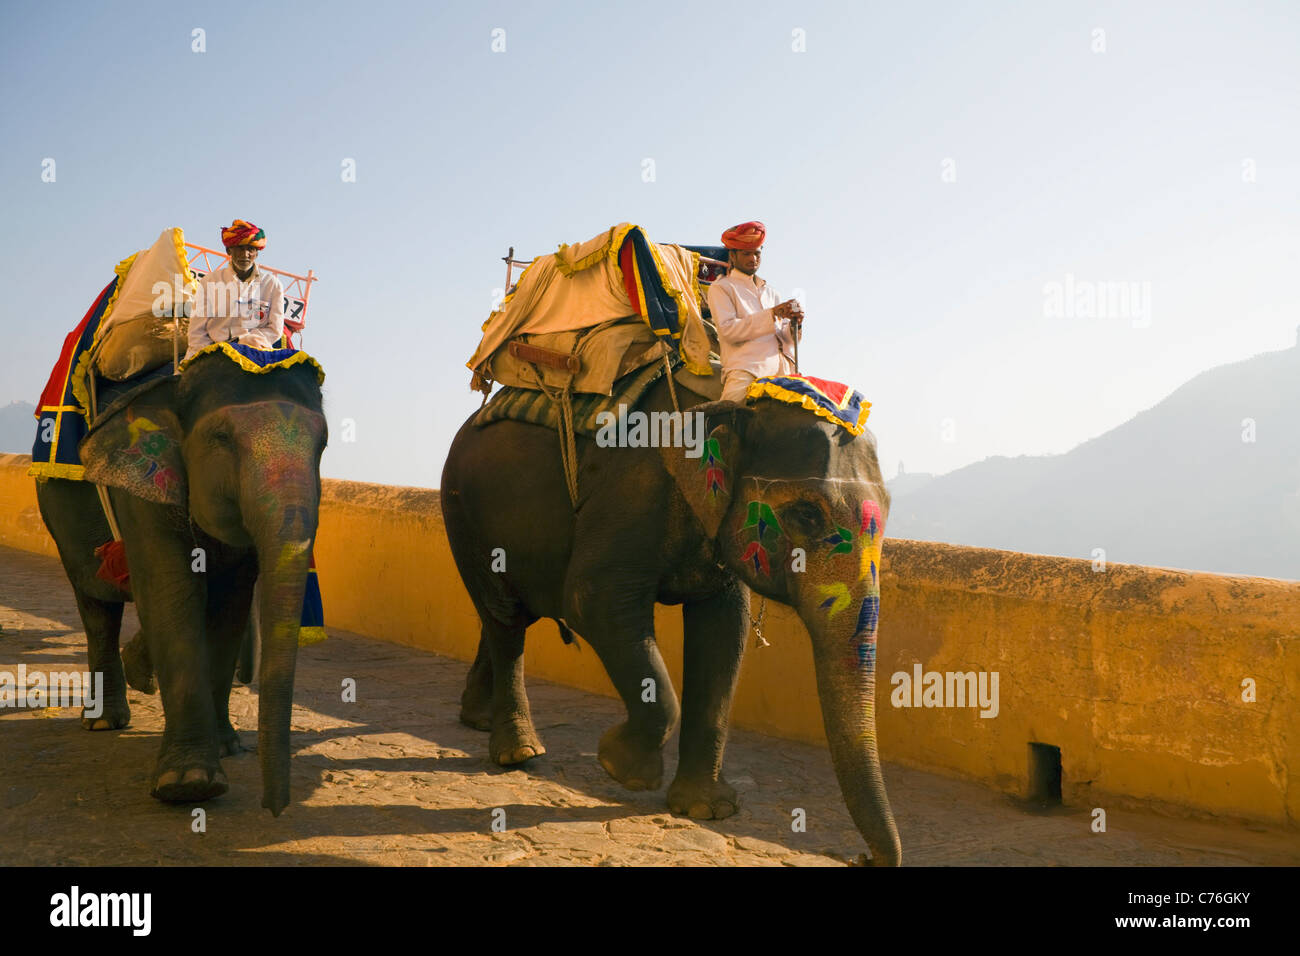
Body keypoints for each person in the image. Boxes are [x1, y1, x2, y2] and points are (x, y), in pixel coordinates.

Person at [705, 220, 804, 402]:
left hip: (784, 373)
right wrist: (773, 314)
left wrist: (794, 325)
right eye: (746, 254)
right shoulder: (722, 288)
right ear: (733, 256)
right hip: (746, 372)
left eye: (757, 253)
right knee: (729, 419)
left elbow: (785, 338)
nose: (753, 259)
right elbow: (728, 331)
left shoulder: (772, 293)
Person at [185, 219, 286, 360]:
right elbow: (197, 332)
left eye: (250, 249)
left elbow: (274, 330)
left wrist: (247, 342)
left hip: (256, 351)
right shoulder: (209, 282)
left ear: (257, 252)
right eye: (239, 248)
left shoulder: (272, 285)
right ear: (229, 250)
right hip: (213, 353)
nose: (245, 255)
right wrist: (211, 354)